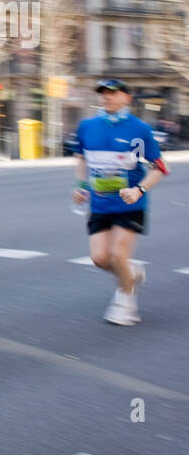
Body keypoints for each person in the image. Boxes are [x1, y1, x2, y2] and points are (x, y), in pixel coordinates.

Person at [72, 78, 167, 325]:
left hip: (130, 204)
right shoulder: (87, 126)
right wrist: (81, 186)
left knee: (117, 254)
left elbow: (159, 169)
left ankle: (127, 303)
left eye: (112, 93)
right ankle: (131, 273)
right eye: (103, 93)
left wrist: (139, 190)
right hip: (100, 204)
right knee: (100, 259)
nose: (106, 97)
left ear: (127, 97)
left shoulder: (140, 130)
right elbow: (81, 158)